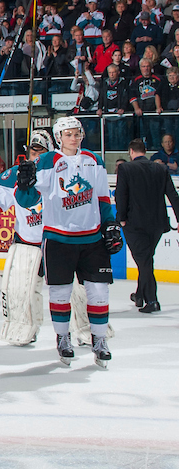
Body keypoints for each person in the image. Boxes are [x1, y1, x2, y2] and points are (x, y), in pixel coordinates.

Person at [14, 116, 120, 368]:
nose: (74, 138)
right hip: (58, 239)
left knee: (98, 291)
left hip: (91, 238)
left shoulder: (94, 160)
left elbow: (103, 198)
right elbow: (27, 199)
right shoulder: (48, 160)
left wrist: (110, 223)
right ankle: (63, 338)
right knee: (61, 293)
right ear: (59, 137)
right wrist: (24, 184)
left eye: (77, 133)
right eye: (69, 134)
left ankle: (100, 339)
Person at [0, 130, 52, 345]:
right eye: (33, 151)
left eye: (41, 152)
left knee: (74, 289)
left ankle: (85, 328)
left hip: (59, 241)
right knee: (21, 292)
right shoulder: (14, 174)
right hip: (28, 243)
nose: (36, 156)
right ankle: (24, 328)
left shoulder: (59, 170)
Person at [115, 138, 179, 314]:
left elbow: (121, 195)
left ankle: (152, 300)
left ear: (131, 152)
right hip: (157, 224)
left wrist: (121, 218)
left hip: (134, 223)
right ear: (146, 151)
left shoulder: (125, 168)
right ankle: (140, 295)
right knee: (145, 258)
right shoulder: (160, 168)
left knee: (144, 261)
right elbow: (173, 195)